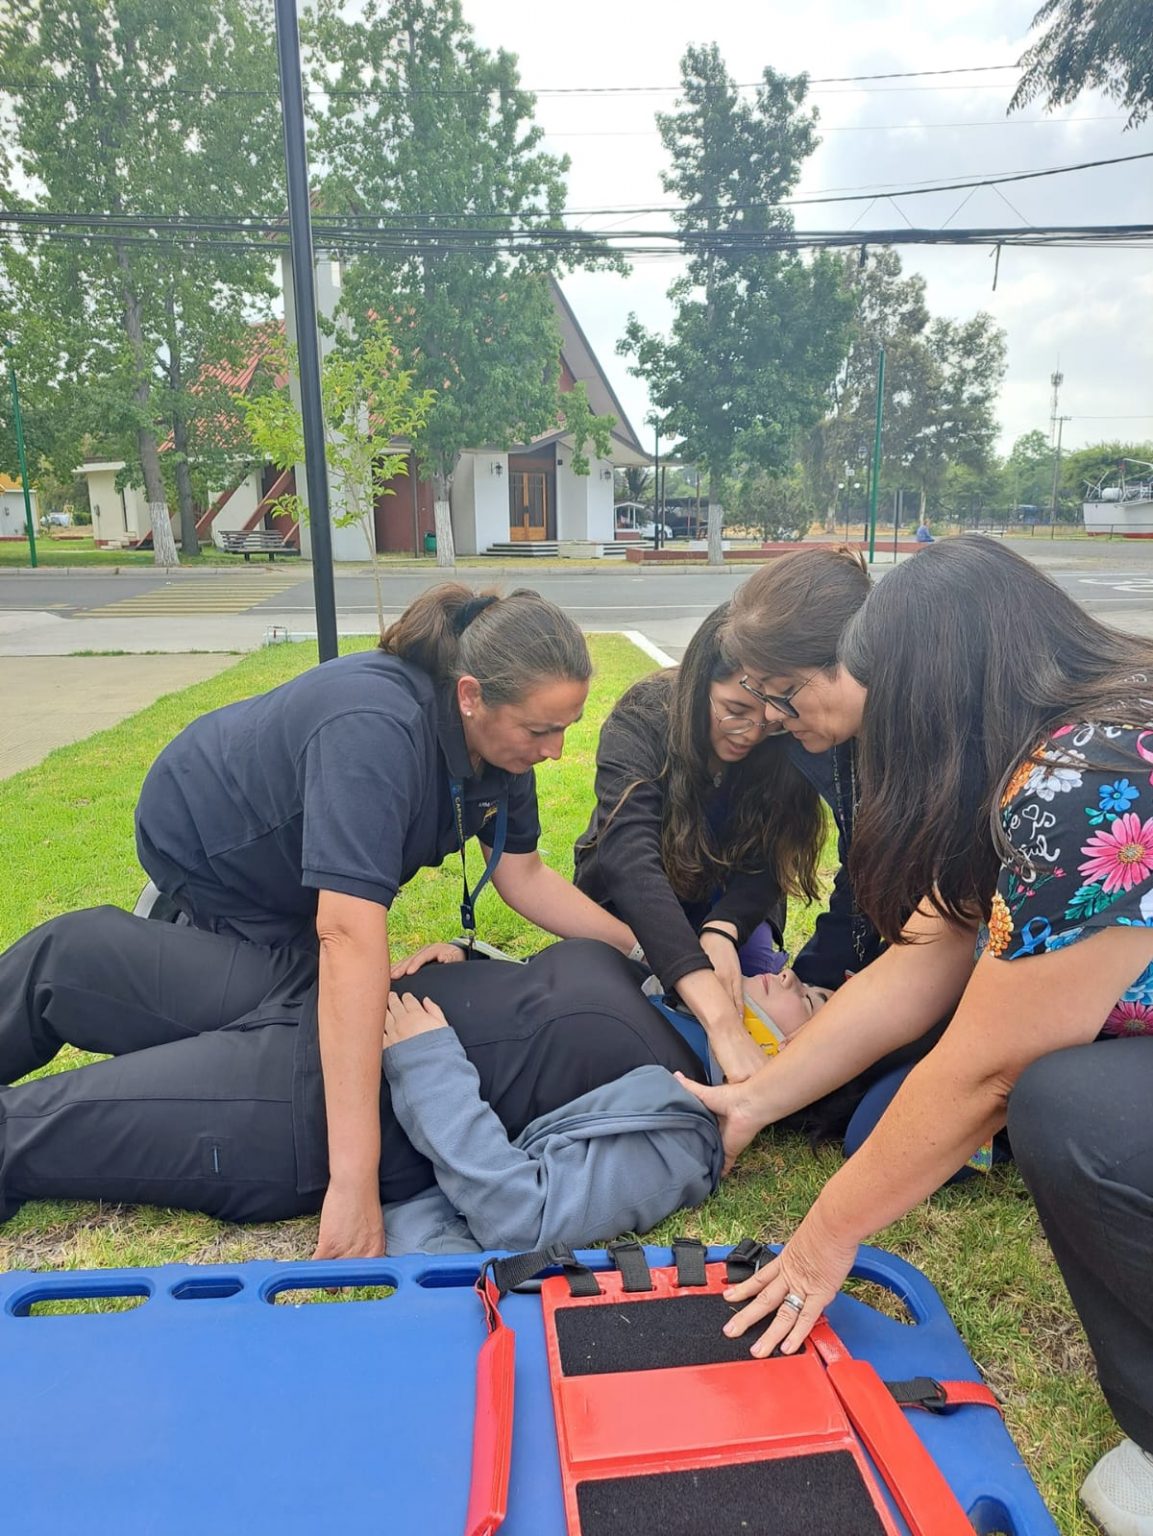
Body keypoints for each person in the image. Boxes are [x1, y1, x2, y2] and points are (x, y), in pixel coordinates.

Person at [679, 537, 1153, 1536]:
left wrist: (817, 1247)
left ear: (938, 691)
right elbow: (928, 950)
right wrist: (755, 1098)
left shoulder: (1084, 782)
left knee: (1066, 1108)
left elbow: (985, 1069)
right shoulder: (1045, 753)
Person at [133, 584, 637, 1262]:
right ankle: (176, 935)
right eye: (541, 730)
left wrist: (641, 949)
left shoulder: (502, 746)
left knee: (324, 1016)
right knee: (275, 1030)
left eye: (566, 728)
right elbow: (346, 933)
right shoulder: (373, 727)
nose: (554, 751)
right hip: (213, 848)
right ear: (468, 696)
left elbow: (524, 877)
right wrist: (352, 1181)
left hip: (304, 880)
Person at [0, 909, 720, 1253]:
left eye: (805, 999)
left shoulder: (688, 1120)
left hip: (308, 1105)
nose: (781, 973)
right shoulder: (661, 989)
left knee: (27, 1128)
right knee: (70, 955)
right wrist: (466, 957)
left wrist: (430, 1064)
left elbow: (524, 1219)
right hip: (320, 994)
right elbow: (541, 1010)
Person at [574, 603, 825, 1081]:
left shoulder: (780, 736)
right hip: (635, 903)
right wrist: (698, 984)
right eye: (734, 711)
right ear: (696, 686)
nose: (752, 733)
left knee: (755, 998)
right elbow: (630, 861)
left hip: (725, 901)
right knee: (644, 1000)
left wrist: (724, 929)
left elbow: (770, 859)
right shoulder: (643, 719)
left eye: (768, 719)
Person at [719, 546, 883, 989]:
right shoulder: (836, 745)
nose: (771, 716)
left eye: (784, 689)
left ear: (852, 656)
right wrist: (811, 983)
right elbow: (861, 886)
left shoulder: (929, 755)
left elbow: (934, 953)